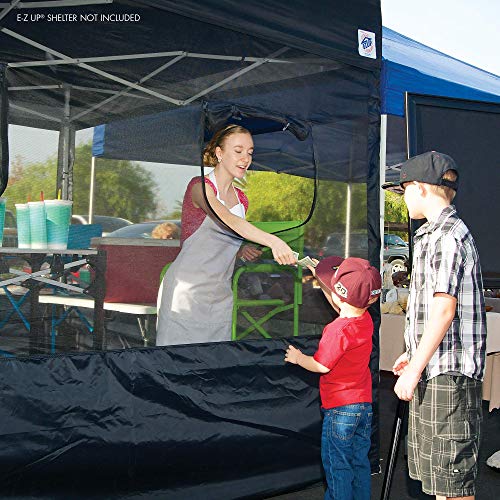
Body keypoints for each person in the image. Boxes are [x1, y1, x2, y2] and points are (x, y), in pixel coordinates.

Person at [382, 151, 487, 500]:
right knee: (438, 481)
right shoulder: (430, 236)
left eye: (404, 191)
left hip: (449, 377)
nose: (403, 199)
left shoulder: (448, 236)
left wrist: (414, 371)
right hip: (433, 370)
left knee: (453, 485)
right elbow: (429, 310)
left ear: (421, 189)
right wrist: (412, 357)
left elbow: (444, 309)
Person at [156, 124, 297, 346]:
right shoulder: (200, 186)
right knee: (177, 366)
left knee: (213, 366)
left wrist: (240, 249)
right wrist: (274, 241)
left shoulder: (242, 199)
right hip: (185, 294)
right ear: (219, 153)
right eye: (238, 151)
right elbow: (226, 219)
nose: (245, 158)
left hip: (220, 296)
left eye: (250, 152)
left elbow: (225, 234)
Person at [284, 256, 382, 500]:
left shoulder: (336, 331)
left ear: (338, 296)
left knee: (337, 466)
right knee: (359, 462)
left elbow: (320, 365)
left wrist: (298, 358)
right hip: (363, 407)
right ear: (373, 297)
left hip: (340, 411)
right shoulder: (366, 320)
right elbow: (343, 303)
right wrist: (322, 278)